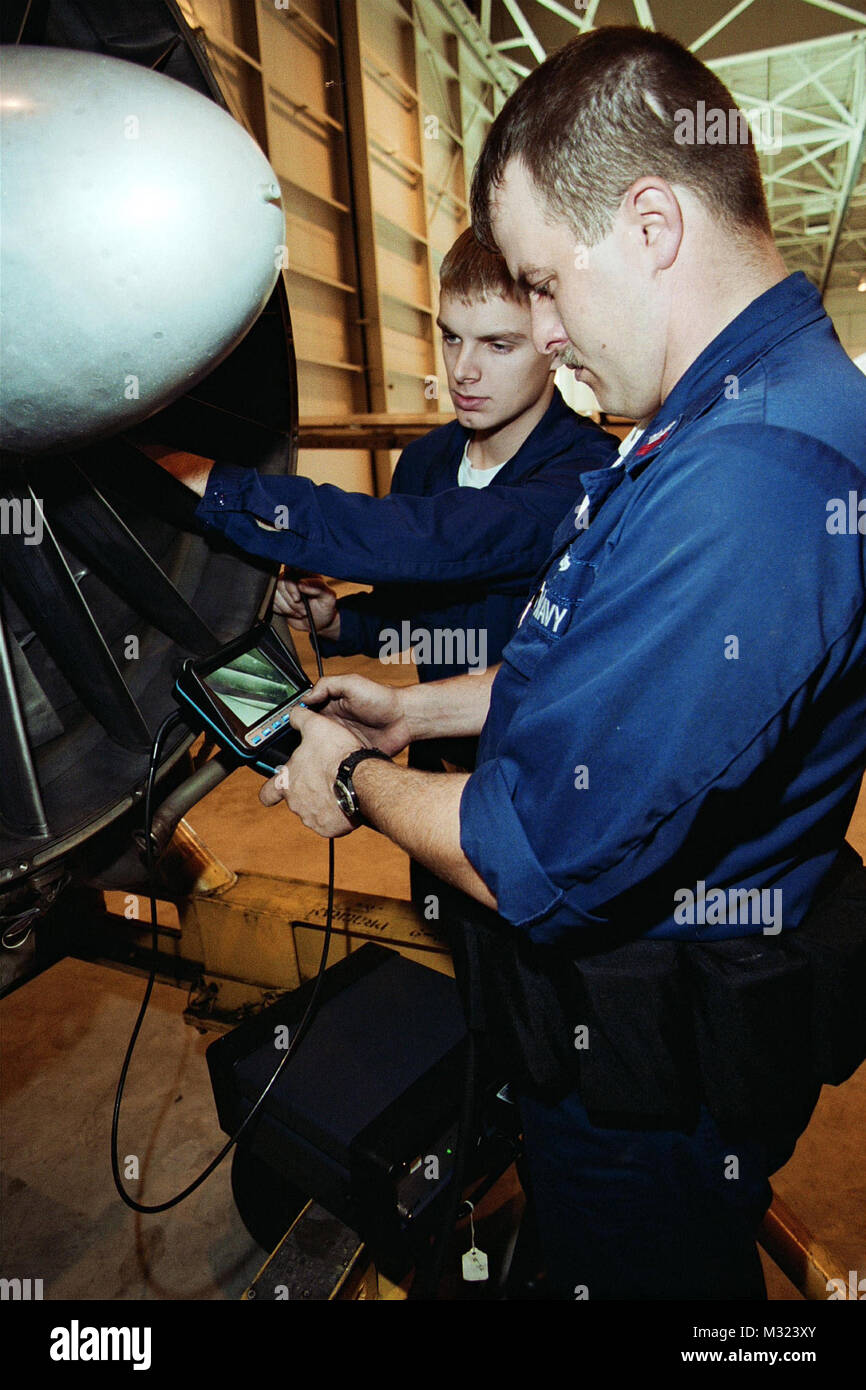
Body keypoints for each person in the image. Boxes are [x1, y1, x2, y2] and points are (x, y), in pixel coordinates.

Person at [256, 26, 866, 1300]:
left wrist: (347, 776)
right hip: (637, 1029)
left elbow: (527, 851)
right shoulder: (705, 421)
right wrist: (409, 702)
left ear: (648, 225)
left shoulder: (750, 482)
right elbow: (591, 664)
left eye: (540, 283)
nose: (536, 329)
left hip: (654, 1083)